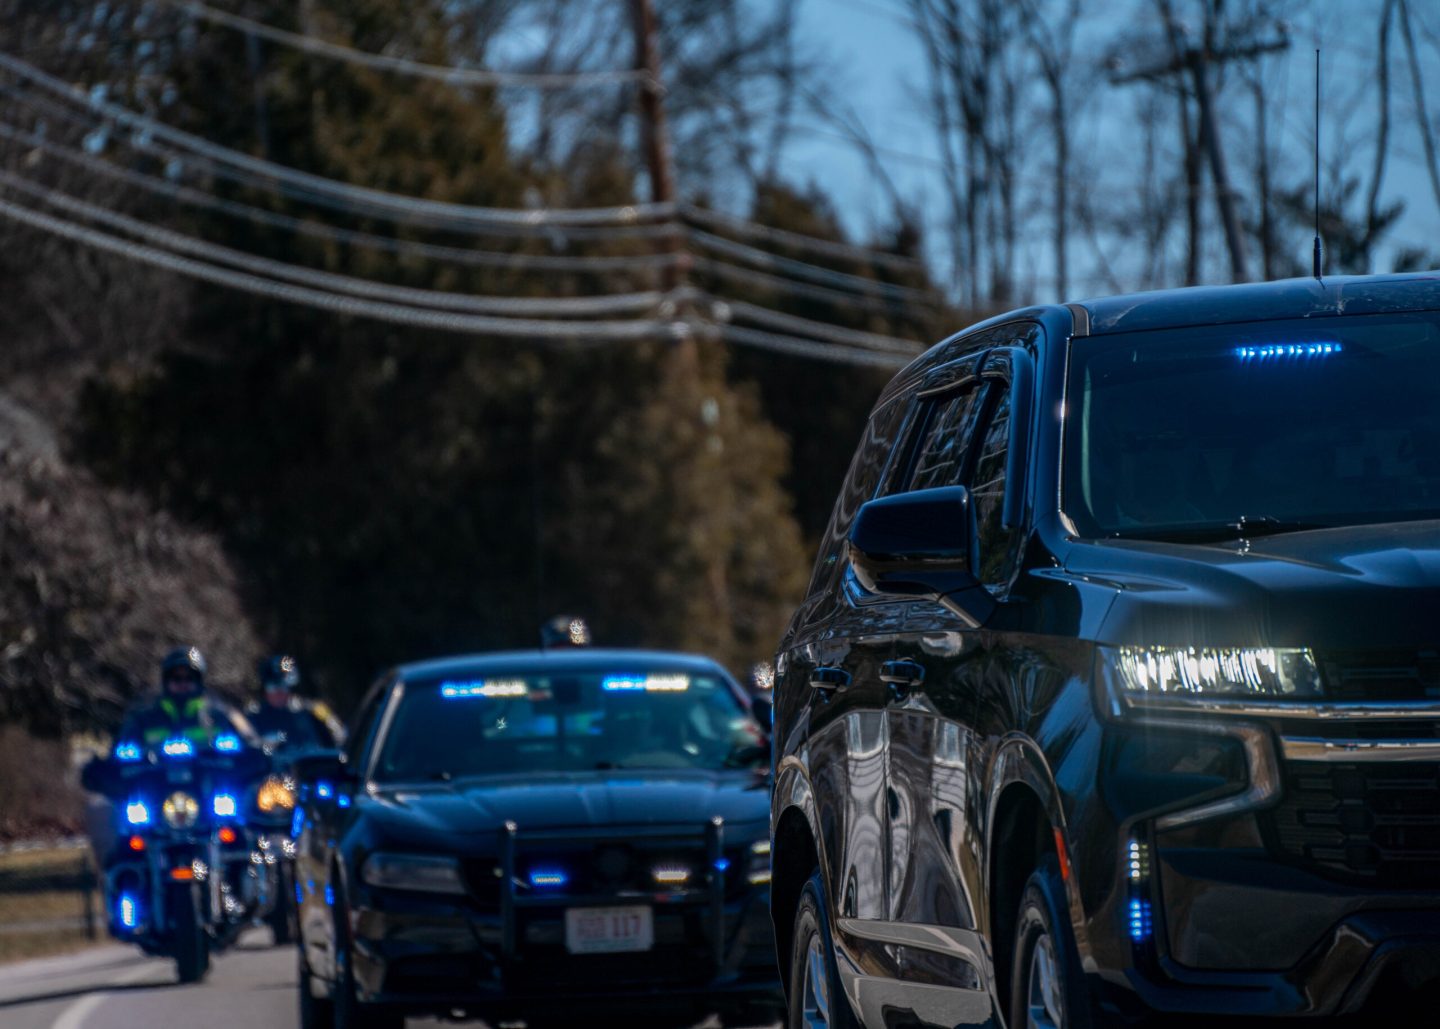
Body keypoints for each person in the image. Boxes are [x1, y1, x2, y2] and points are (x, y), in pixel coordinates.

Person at [115, 646, 257, 751]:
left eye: (190, 678)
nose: (183, 684)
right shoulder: (143, 718)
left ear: (200, 681)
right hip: (154, 787)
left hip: (212, 788)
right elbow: (117, 752)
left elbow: (252, 744)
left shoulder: (223, 715)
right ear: (166, 681)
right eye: (176, 678)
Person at [245, 654, 345, 751]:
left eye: (283, 688)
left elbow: (340, 734)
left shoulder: (314, 709)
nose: (278, 694)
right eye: (273, 688)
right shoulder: (254, 716)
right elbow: (248, 745)